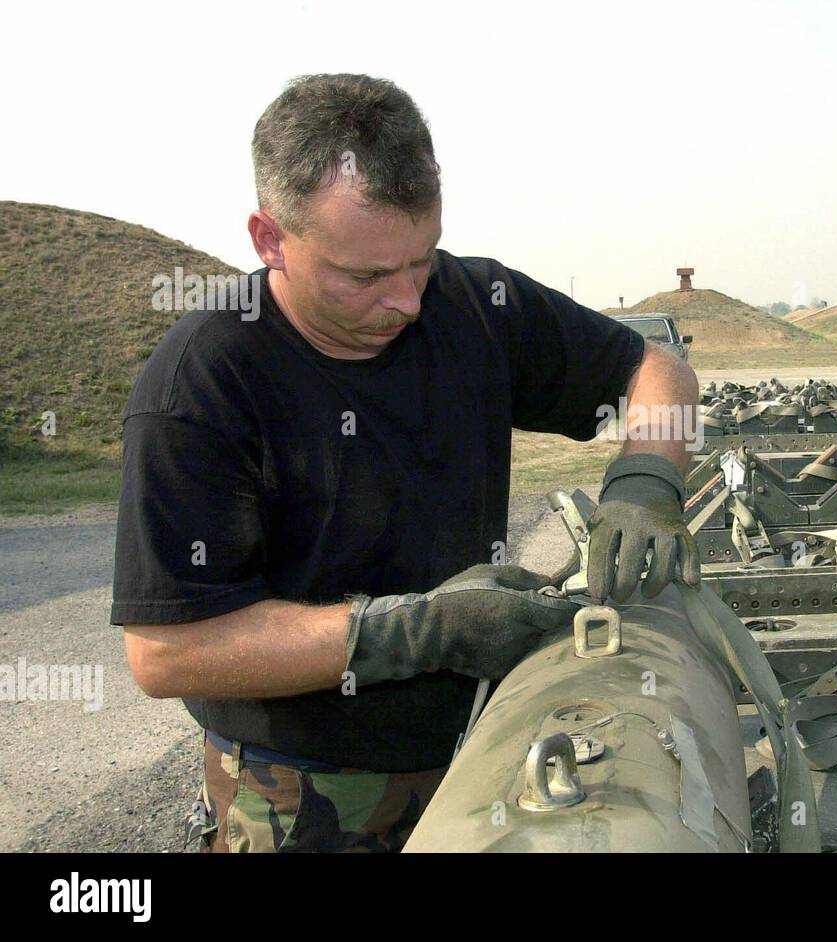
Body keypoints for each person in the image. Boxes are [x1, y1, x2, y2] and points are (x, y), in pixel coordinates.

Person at [110, 73, 700, 852]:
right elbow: (165, 651)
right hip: (303, 792)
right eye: (365, 276)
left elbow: (656, 369)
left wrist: (645, 481)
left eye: (421, 259)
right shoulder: (202, 386)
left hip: (478, 753)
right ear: (269, 239)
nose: (408, 301)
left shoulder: (476, 305)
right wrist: (419, 631)